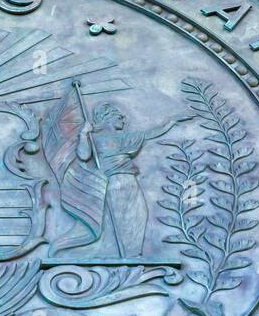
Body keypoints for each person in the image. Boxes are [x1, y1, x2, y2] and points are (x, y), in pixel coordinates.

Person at [76, 103, 189, 257]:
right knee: (121, 218)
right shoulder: (95, 138)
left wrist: (170, 123)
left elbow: (150, 134)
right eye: (118, 116)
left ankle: (132, 255)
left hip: (129, 180)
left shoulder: (125, 137)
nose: (123, 119)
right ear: (108, 118)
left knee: (139, 215)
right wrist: (83, 134)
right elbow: (83, 155)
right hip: (113, 181)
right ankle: (124, 256)